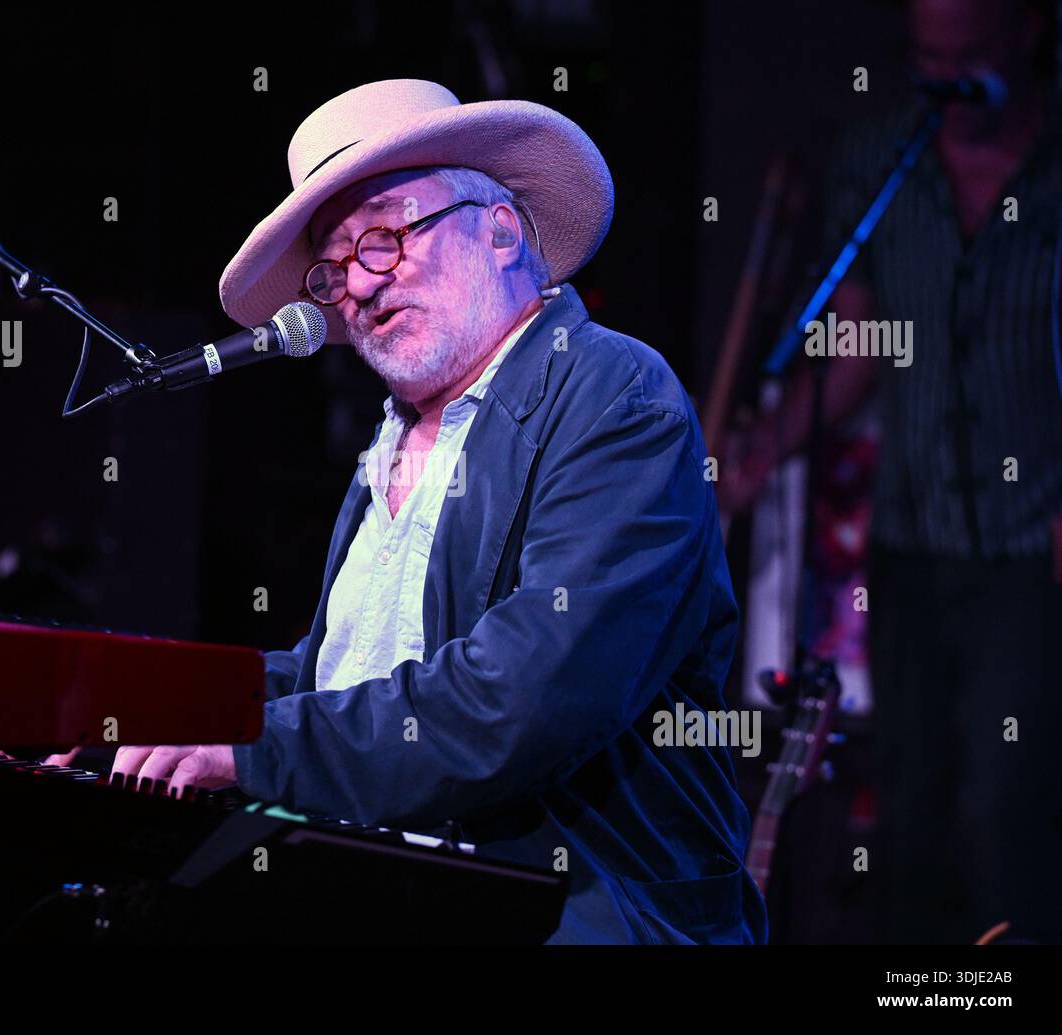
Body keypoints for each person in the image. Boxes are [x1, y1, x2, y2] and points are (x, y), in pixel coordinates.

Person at [111, 78, 766, 944]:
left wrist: (254, 748)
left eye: (384, 238)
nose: (359, 286)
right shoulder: (394, 440)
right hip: (399, 888)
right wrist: (121, 709)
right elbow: (341, 678)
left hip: (583, 910)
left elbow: (527, 696)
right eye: (334, 265)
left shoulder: (615, 394)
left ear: (500, 228)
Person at [720, 0, 1062, 943]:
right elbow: (858, 342)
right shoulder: (888, 160)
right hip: (908, 540)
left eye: (970, 57)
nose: (947, 81)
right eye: (928, 58)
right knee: (904, 808)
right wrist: (762, 451)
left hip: (1035, 544)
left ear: (1026, 33)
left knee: (1005, 803)